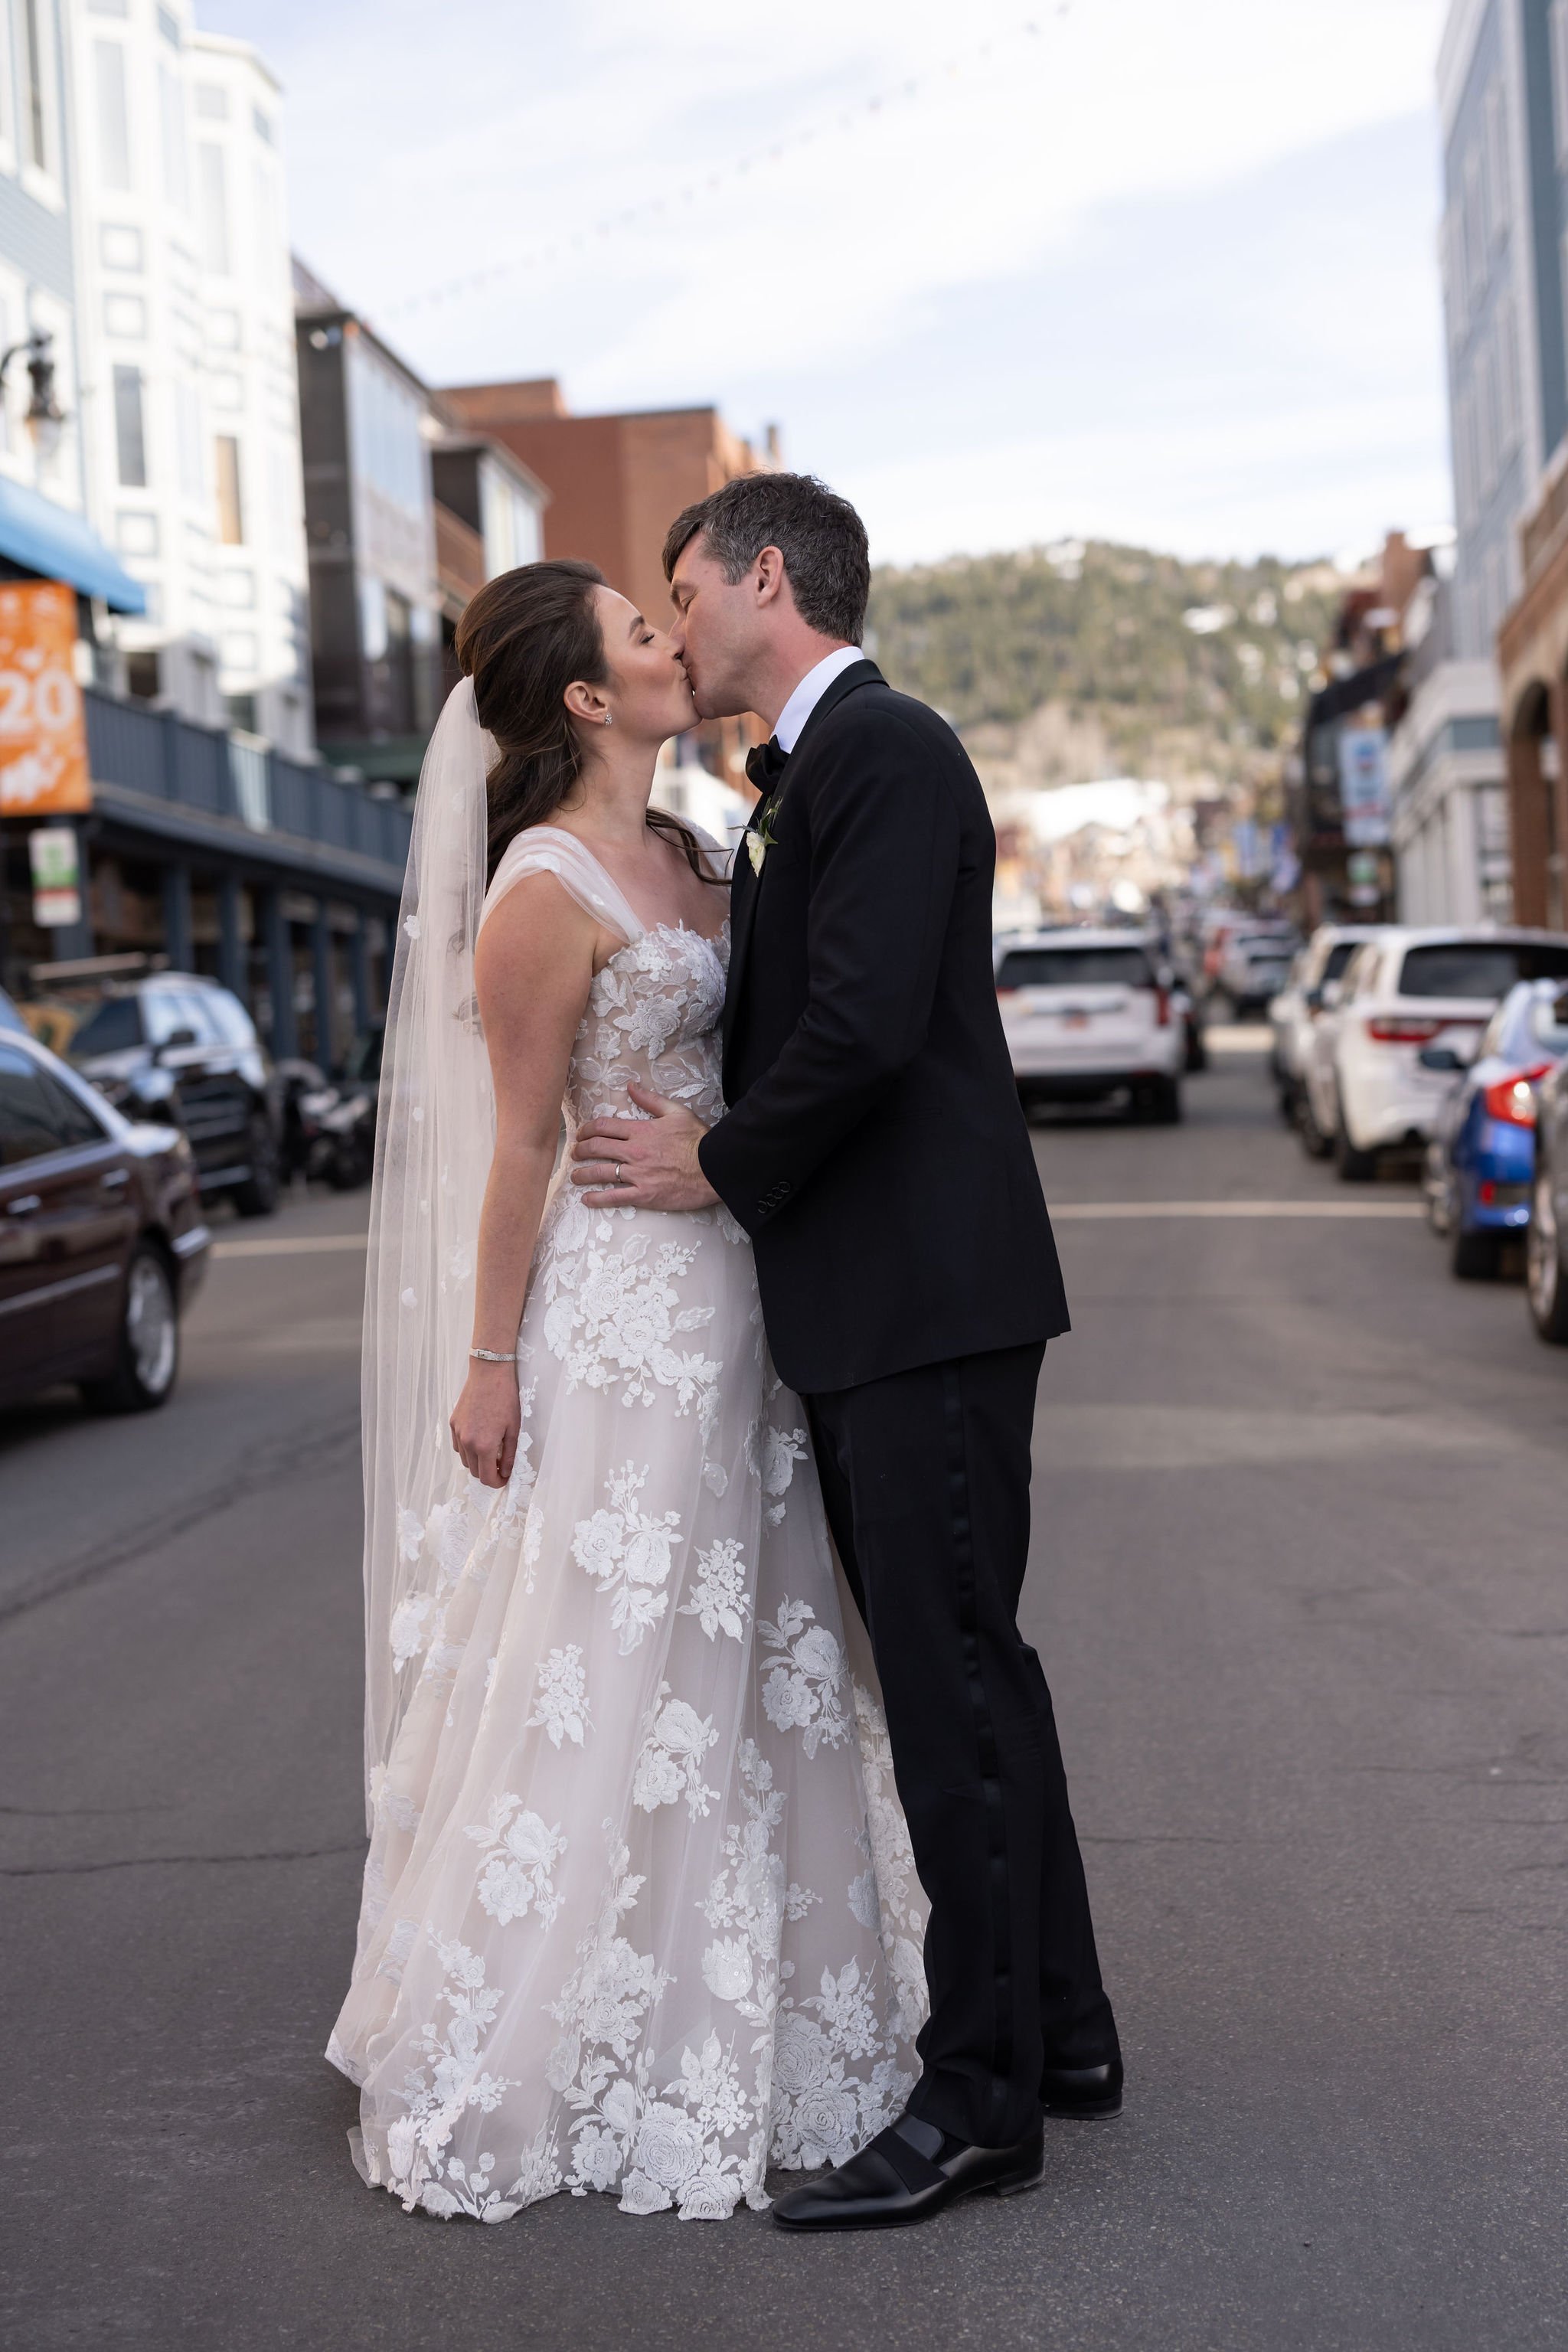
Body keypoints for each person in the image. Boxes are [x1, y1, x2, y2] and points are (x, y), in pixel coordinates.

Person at [327, 559, 924, 2223]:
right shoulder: (539, 890)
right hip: (615, 1313)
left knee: (750, 1646)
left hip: (735, 1290)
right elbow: (514, 1140)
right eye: (642, 633)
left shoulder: (695, 849)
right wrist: (492, 1359)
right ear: (588, 699)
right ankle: (556, 2019)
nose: (675, 643)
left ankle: (765, 1986)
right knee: (614, 1646)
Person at [570, 473, 1121, 2232]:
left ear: (767, 576)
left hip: (921, 1299)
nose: (679, 627)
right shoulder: (823, 773)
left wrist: (711, 1160)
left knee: (952, 1692)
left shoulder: (884, 750)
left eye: (686, 593)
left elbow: (870, 1023)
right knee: (976, 1672)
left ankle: (978, 2109)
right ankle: (1060, 2029)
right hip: (897, 1298)